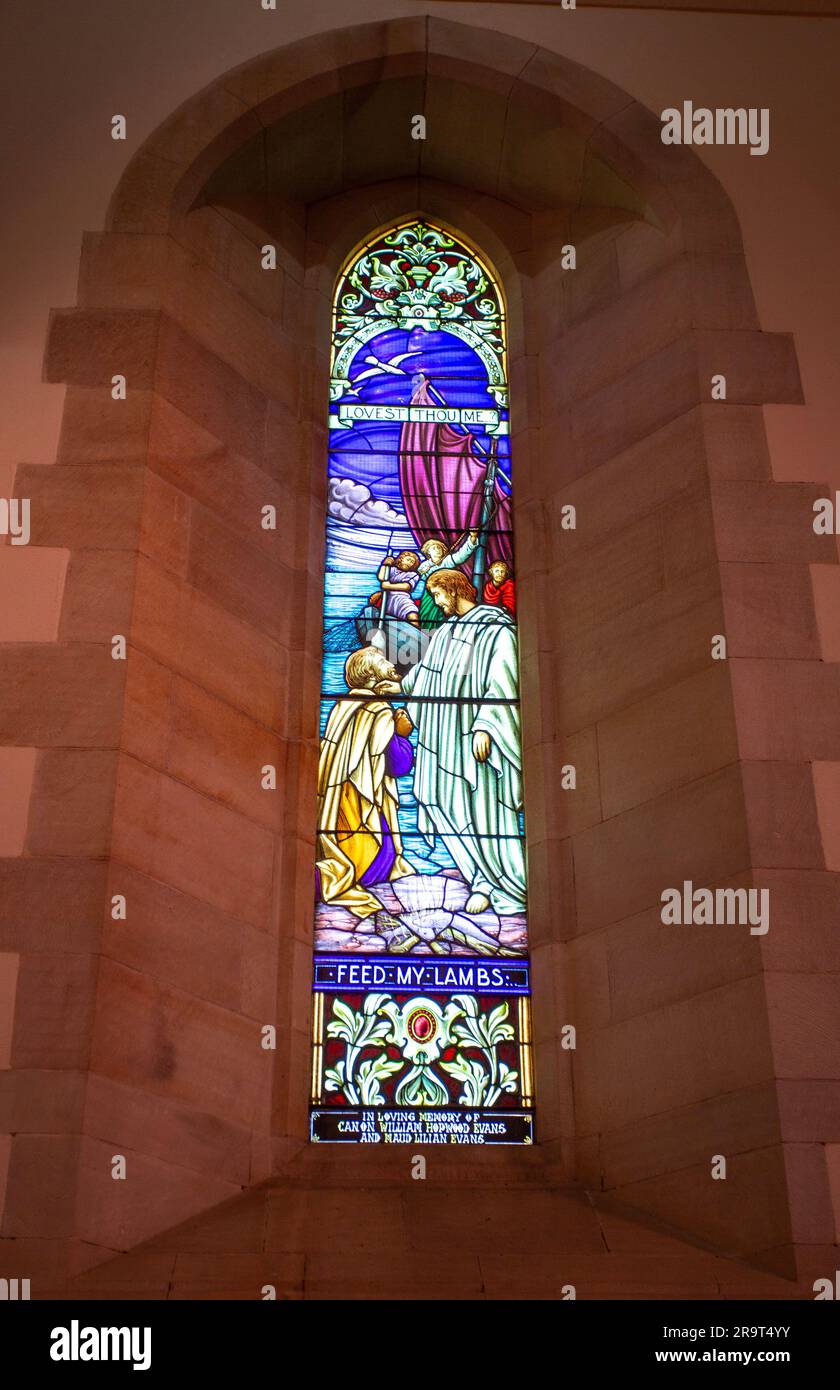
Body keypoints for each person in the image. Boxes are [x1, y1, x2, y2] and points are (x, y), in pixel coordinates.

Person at [399, 568, 526, 916]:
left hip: (473, 740)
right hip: (443, 739)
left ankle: (501, 881)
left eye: (439, 595)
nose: (437, 603)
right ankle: (478, 879)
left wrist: (487, 724)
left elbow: (504, 678)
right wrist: (393, 687)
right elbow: (424, 676)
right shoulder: (443, 634)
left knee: (483, 809)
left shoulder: (495, 625)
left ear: (454, 590)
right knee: (445, 803)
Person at [316, 646, 415, 919]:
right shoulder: (379, 712)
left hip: (337, 808)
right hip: (361, 813)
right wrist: (402, 735)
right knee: (380, 862)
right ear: (371, 674)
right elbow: (398, 764)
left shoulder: (342, 708)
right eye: (383, 660)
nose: (390, 664)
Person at [416, 530, 479, 629]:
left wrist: (472, 539)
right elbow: (419, 578)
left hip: (447, 593)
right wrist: (421, 572)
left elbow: (461, 555)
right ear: (428, 552)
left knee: (445, 615)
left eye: (439, 547)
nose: (437, 549)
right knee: (426, 614)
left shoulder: (448, 561)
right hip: (429, 595)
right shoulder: (425, 565)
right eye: (433, 548)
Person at [365, 550, 421, 627]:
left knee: (412, 614)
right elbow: (382, 577)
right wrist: (385, 564)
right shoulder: (392, 569)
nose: (409, 563)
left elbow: (406, 586)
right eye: (408, 560)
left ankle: (417, 633)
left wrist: (388, 586)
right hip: (388, 598)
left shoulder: (413, 574)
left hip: (402, 598)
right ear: (401, 559)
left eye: (412, 562)